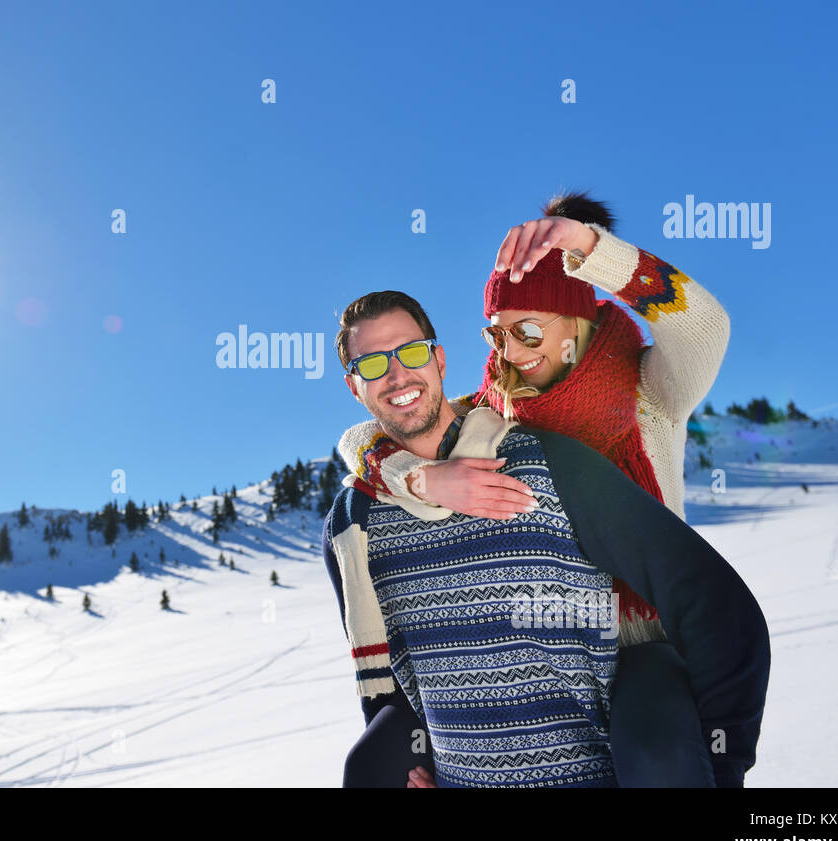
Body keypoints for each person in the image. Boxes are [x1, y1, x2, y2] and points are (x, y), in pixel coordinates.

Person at [322, 290, 769, 787]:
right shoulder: (354, 521)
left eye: (410, 352)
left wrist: (722, 765)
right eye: (372, 364)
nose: (397, 375)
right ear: (352, 386)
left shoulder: (546, 465)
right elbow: (388, 685)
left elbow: (711, 599)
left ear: (439, 358)